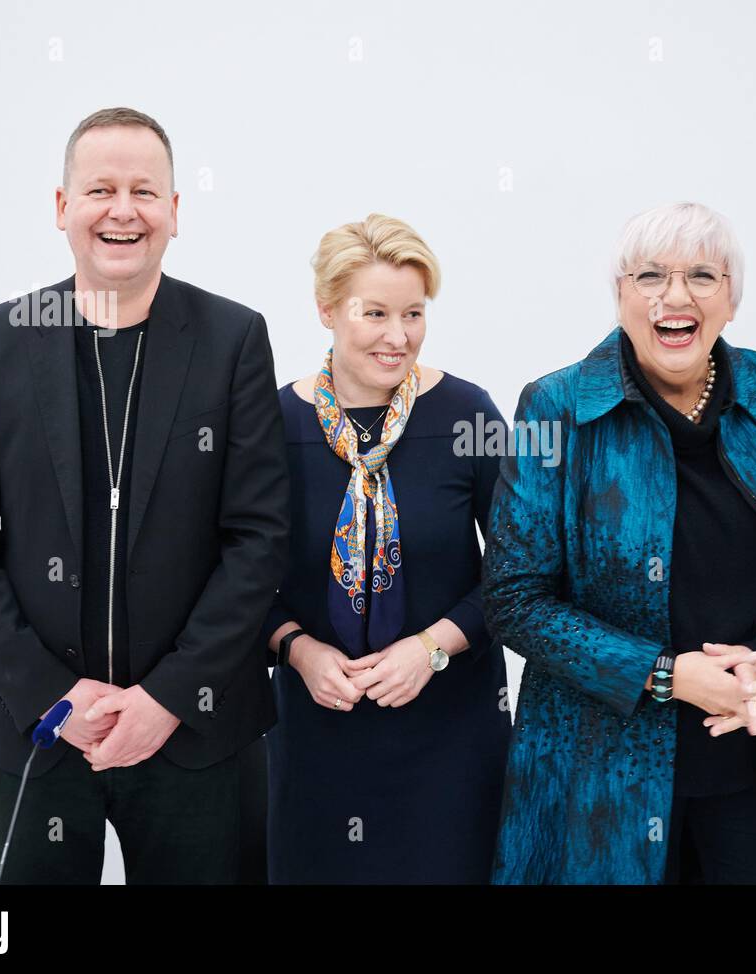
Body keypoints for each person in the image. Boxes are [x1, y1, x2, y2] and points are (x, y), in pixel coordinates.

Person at [0, 107, 289, 883]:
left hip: (200, 733)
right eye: (99, 189)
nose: (123, 210)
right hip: (44, 730)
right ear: (62, 208)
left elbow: (258, 539)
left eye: (144, 191)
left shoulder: (234, 339)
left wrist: (166, 697)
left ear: (174, 213)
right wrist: (53, 695)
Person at [484, 202, 756, 884]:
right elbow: (514, 599)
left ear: (730, 299)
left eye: (702, 274)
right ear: (619, 295)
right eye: (649, 277)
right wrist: (667, 675)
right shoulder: (557, 407)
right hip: (603, 768)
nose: (676, 296)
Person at [260, 214, 511, 883]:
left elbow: (523, 575)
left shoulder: (468, 415)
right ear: (326, 310)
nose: (397, 336)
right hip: (315, 736)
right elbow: (235, 578)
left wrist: (432, 648)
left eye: (413, 314)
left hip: (451, 735)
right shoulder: (270, 425)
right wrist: (298, 649)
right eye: (375, 313)